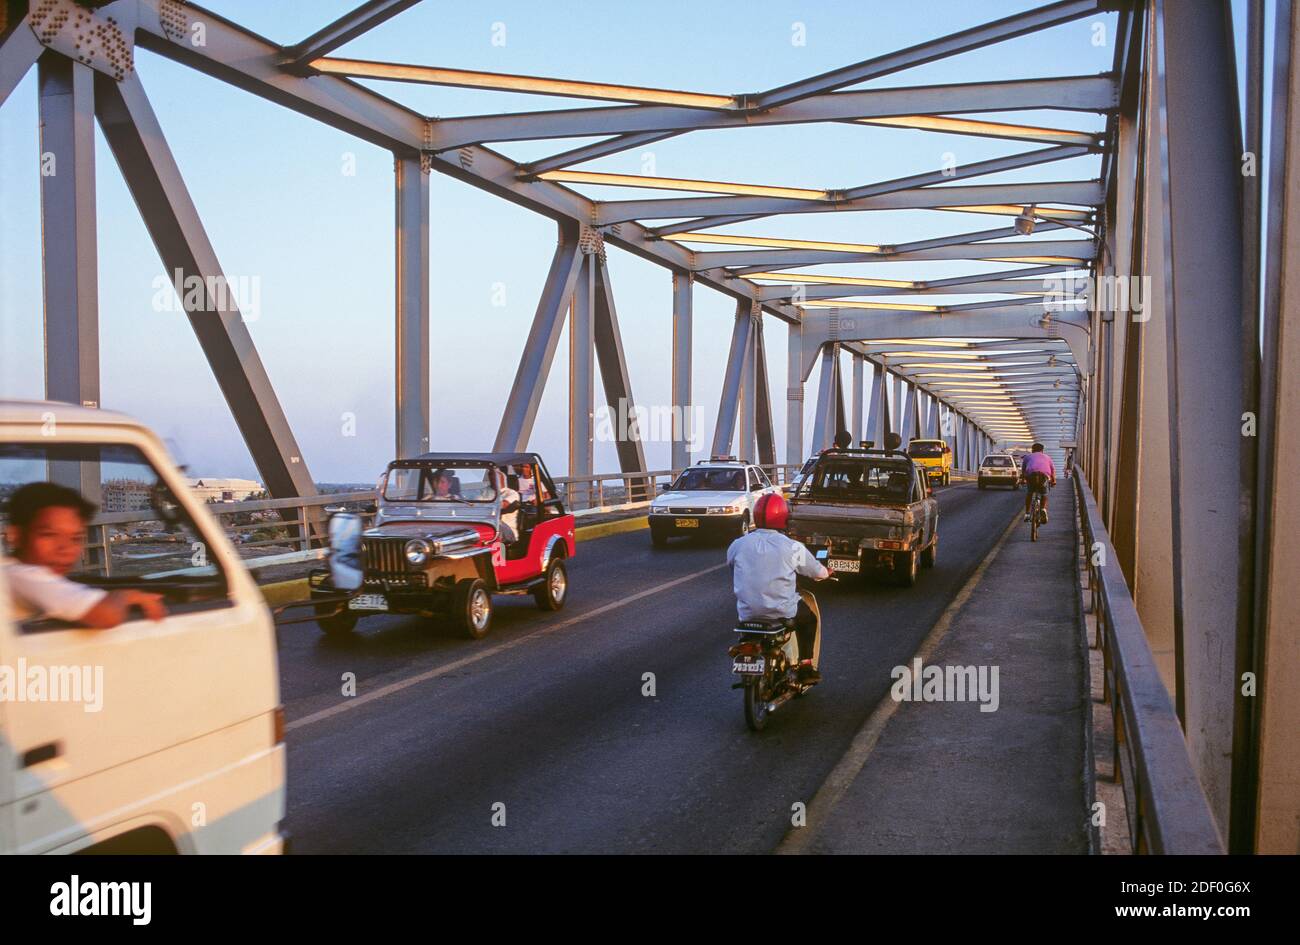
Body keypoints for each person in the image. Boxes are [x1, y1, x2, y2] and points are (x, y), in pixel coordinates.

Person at [3, 482, 165, 628]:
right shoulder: (22, 576)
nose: (65, 548)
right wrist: (125, 596)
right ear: (15, 536)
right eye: (49, 534)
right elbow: (106, 615)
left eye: (75, 538)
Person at [726, 492, 830, 684]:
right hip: (782, 612)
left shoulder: (737, 545)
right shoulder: (792, 547)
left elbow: (731, 566)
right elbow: (818, 572)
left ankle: (745, 647)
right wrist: (827, 572)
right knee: (808, 620)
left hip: (747, 613)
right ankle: (806, 666)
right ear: (783, 517)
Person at [1019, 442, 1057, 524]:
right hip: (1044, 476)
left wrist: (1022, 480)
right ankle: (1043, 508)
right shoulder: (1048, 457)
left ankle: (1027, 514)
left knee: (1029, 493)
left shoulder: (1027, 457)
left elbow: (1023, 471)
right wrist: (1054, 481)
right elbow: (1052, 471)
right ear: (1042, 450)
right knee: (1044, 493)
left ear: (1032, 450)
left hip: (1031, 476)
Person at [496, 469, 521, 545]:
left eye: (494, 475)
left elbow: (503, 505)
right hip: (489, 530)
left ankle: (499, 557)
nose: (492, 478)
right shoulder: (485, 492)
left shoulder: (512, 493)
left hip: (508, 534)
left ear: (502, 478)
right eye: (490, 475)